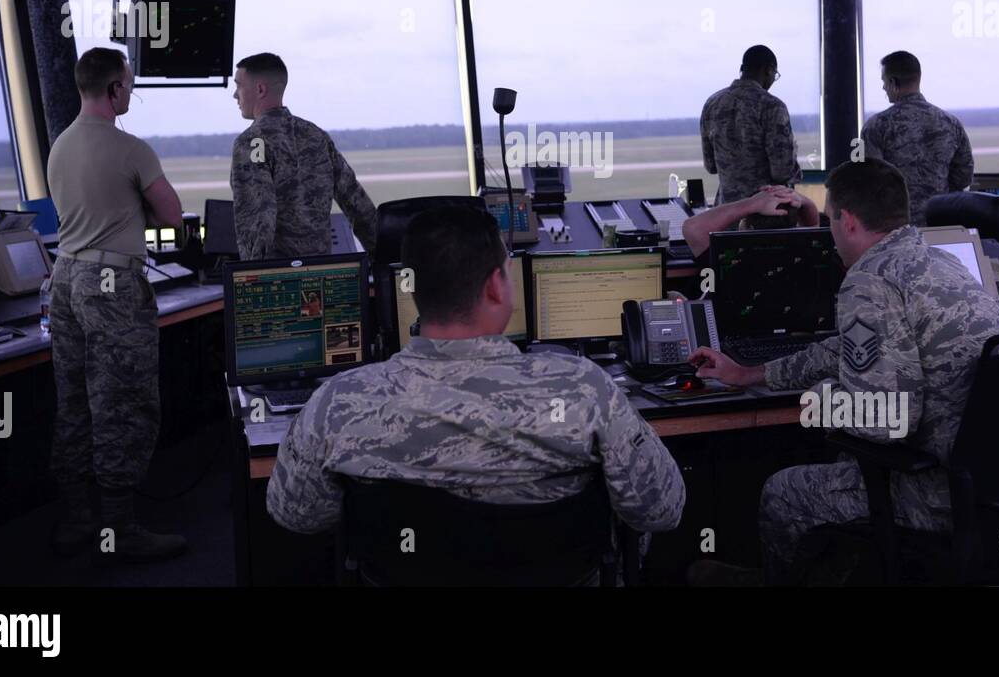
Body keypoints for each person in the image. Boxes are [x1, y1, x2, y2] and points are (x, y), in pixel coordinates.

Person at [267, 205, 686, 564]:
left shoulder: (337, 403)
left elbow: (297, 515)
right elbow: (660, 510)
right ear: (494, 286)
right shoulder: (585, 391)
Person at [686, 158, 999, 585]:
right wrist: (752, 374)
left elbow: (887, 423)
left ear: (849, 221)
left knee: (783, 491)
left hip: (939, 494)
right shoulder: (938, 262)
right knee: (844, 457)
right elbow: (852, 347)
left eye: (830, 219)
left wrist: (821, 399)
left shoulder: (869, 282)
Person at [45, 47, 187, 562]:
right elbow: (172, 215)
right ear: (112, 89)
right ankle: (119, 529)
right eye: (128, 85)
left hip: (65, 278)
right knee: (122, 401)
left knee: (75, 399)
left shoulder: (60, 145)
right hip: (110, 285)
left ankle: (77, 519)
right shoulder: (131, 148)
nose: (130, 93)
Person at [230, 53, 377, 259]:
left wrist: (251, 280)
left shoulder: (252, 142)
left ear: (260, 89)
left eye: (239, 86)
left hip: (277, 280)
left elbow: (259, 220)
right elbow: (357, 204)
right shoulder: (316, 136)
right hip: (322, 275)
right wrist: (383, 259)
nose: (235, 95)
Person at [860, 51, 973, 225]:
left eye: (884, 81)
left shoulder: (875, 126)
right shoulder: (951, 123)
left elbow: (868, 181)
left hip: (896, 230)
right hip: (941, 225)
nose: (883, 88)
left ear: (893, 83)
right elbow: (964, 176)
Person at [700, 45, 801, 206]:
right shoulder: (772, 106)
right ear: (769, 70)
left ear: (742, 69)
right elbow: (782, 172)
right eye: (775, 75)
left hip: (726, 211)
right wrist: (792, 153)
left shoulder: (712, 104)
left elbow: (711, 166)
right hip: (765, 213)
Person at [682, 185, 820, 262]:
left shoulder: (731, 260)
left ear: (747, 227)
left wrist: (752, 203)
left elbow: (692, 228)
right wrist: (791, 195)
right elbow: (813, 226)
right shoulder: (808, 254)